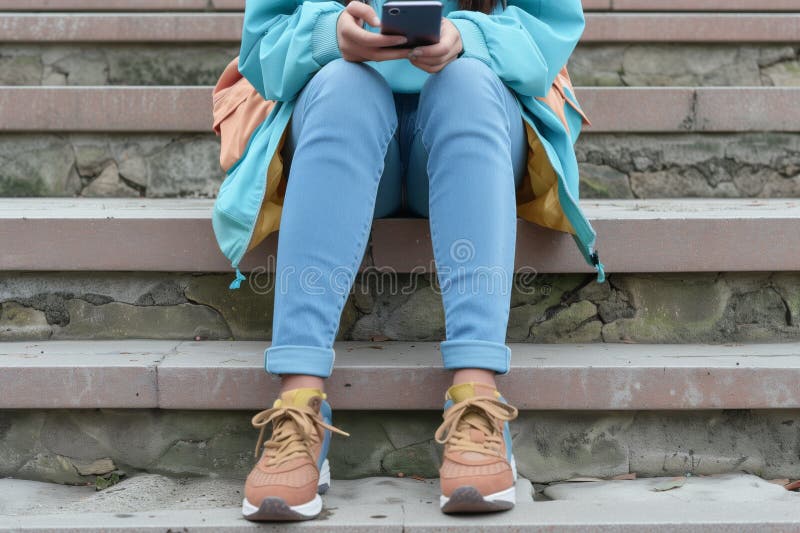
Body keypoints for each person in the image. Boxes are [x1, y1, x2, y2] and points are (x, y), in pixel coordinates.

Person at [232, 0, 590, 522]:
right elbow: (262, 43)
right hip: (341, 128)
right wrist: (328, 37)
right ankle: (298, 404)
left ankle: (476, 399)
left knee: (464, 83)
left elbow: (550, 30)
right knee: (343, 86)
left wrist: (468, 36)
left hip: (470, 125)